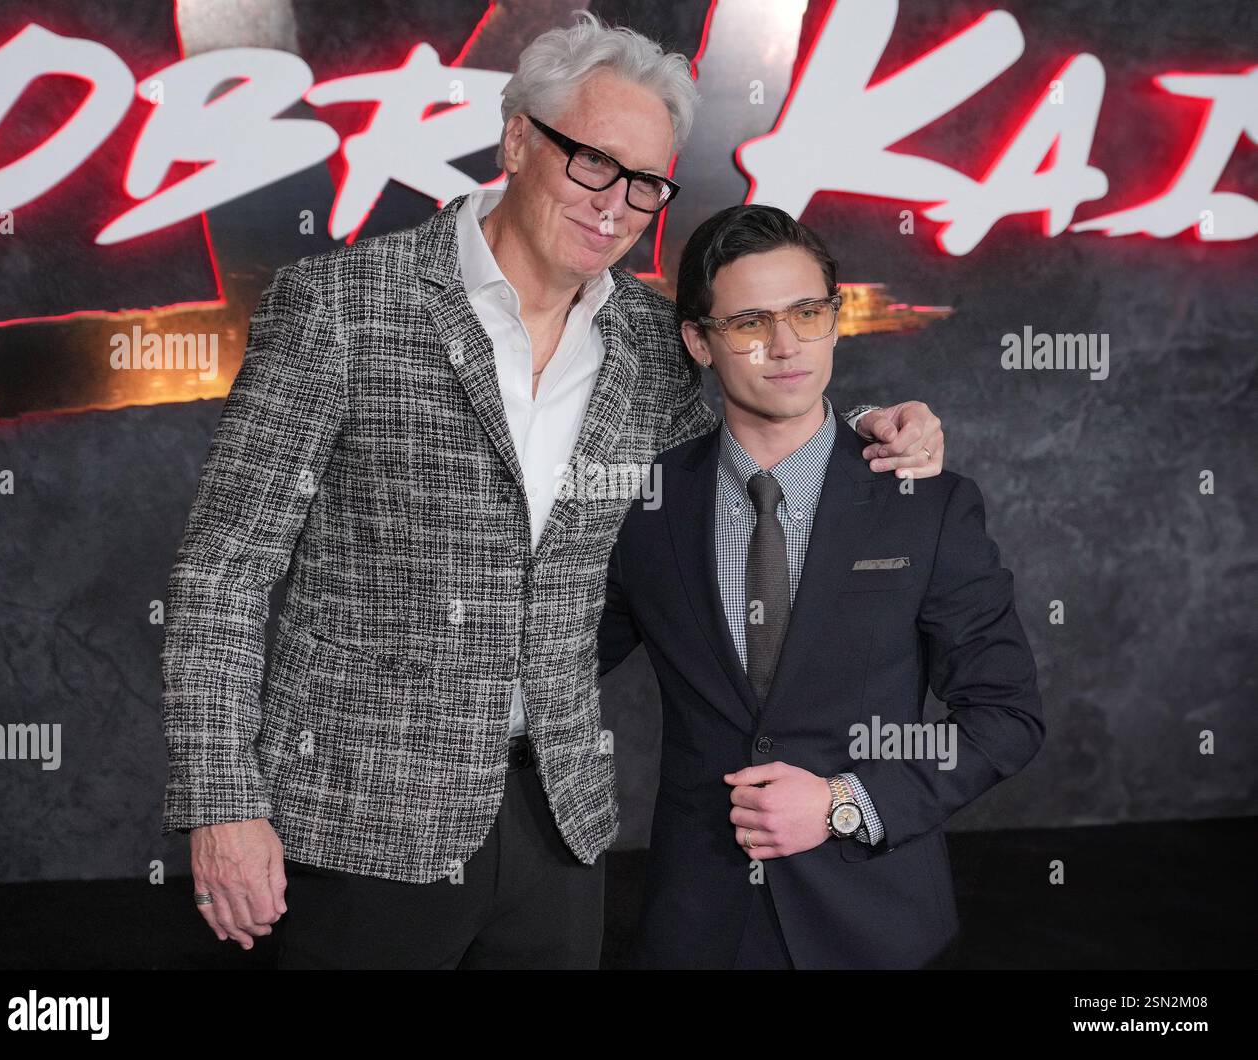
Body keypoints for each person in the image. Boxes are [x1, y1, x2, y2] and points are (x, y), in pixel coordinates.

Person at [160, 13, 946, 970]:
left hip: (559, 825)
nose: (617, 204)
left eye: (647, 183)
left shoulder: (656, 347)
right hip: (357, 818)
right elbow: (223, 575)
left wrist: (874, 426)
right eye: (593, 163)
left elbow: (755, 440)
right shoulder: (343, 306)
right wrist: (221, 801)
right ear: (519, 137)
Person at [598, 203, 1044, 969]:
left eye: (807, 313)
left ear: (836, 320)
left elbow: (1006, 717)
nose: (785, 345)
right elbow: (556, 658)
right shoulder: (643, 502)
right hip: (695, 923)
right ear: (699, 342)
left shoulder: (925, 503)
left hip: (874, 921)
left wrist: (846, 803)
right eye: (749, 323)